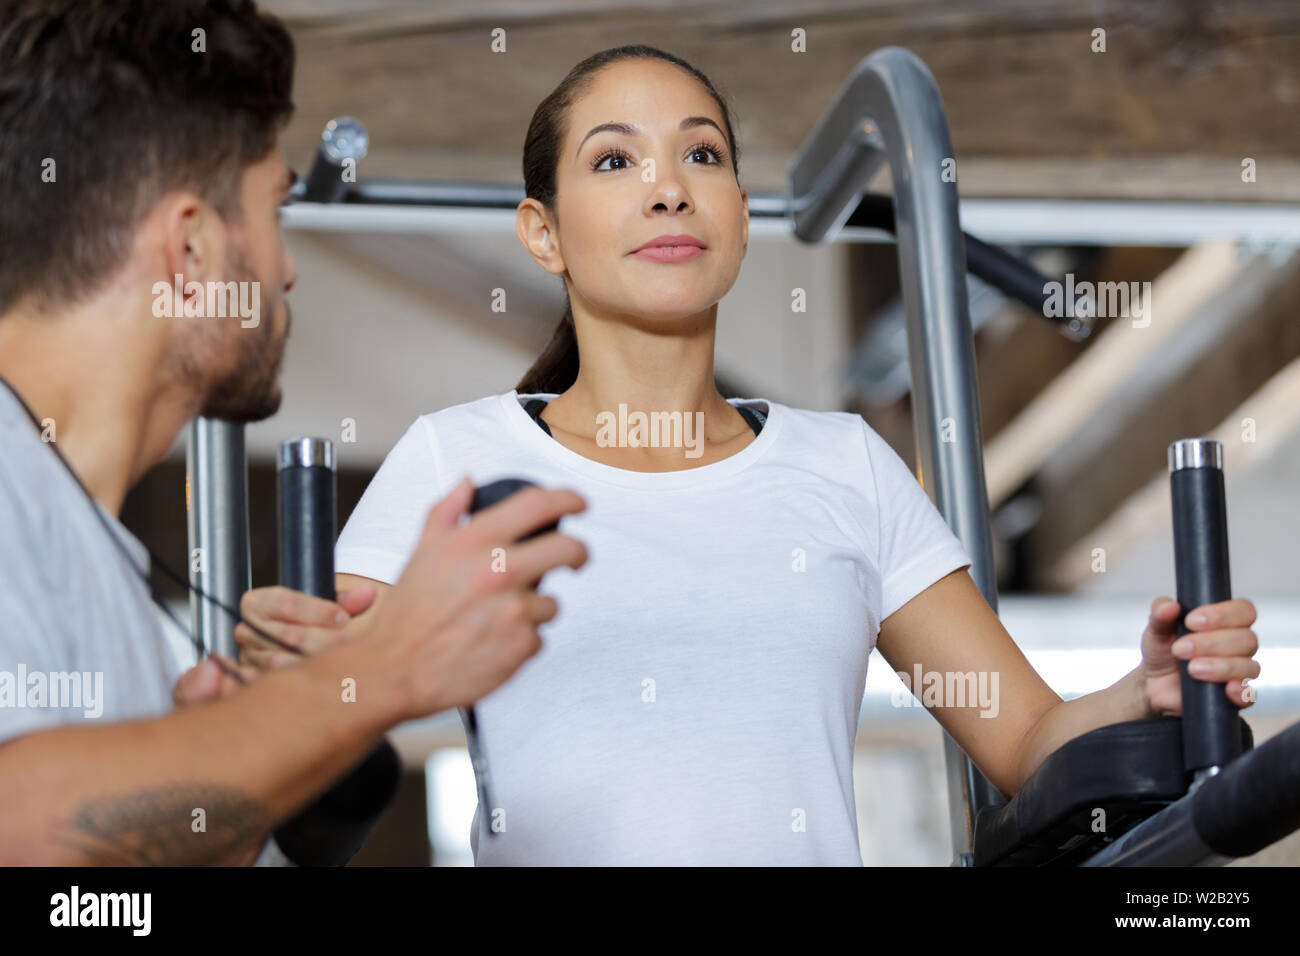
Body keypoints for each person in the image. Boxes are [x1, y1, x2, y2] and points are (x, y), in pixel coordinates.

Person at [237, 46, 1262, 865]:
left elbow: (1026, 736)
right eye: (613, 160)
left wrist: (1148, 687)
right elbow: (309, 717)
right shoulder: (453, 460)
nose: (669, 189)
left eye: (702, 155)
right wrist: (293, 674)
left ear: (733, 211)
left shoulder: (845, 465)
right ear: (541, 235)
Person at [0, 0, 587, 866]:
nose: (288, 268)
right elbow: (24, 828)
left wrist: (235, 778)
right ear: (191, 251)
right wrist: (386, 667)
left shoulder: (88, 561)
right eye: (274, 210)